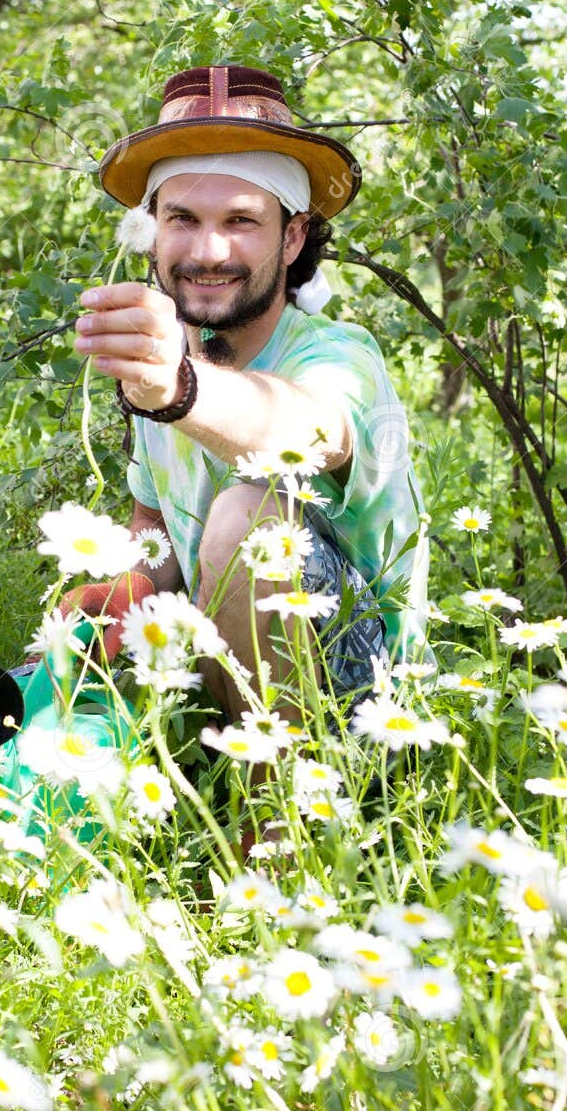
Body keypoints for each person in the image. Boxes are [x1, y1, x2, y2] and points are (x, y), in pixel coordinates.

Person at [75, 62, 429, 737]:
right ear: (153, 229)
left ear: (291, 237)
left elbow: (306, 426)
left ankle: (282, 828)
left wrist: (177, 387)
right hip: (226, 690)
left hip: (374, 717)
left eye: (241, 220)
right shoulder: (173, 351)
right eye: (182, 218)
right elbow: (155, 520)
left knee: (251, 517)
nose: (208, 251)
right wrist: (112, 596)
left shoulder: (336, 355)